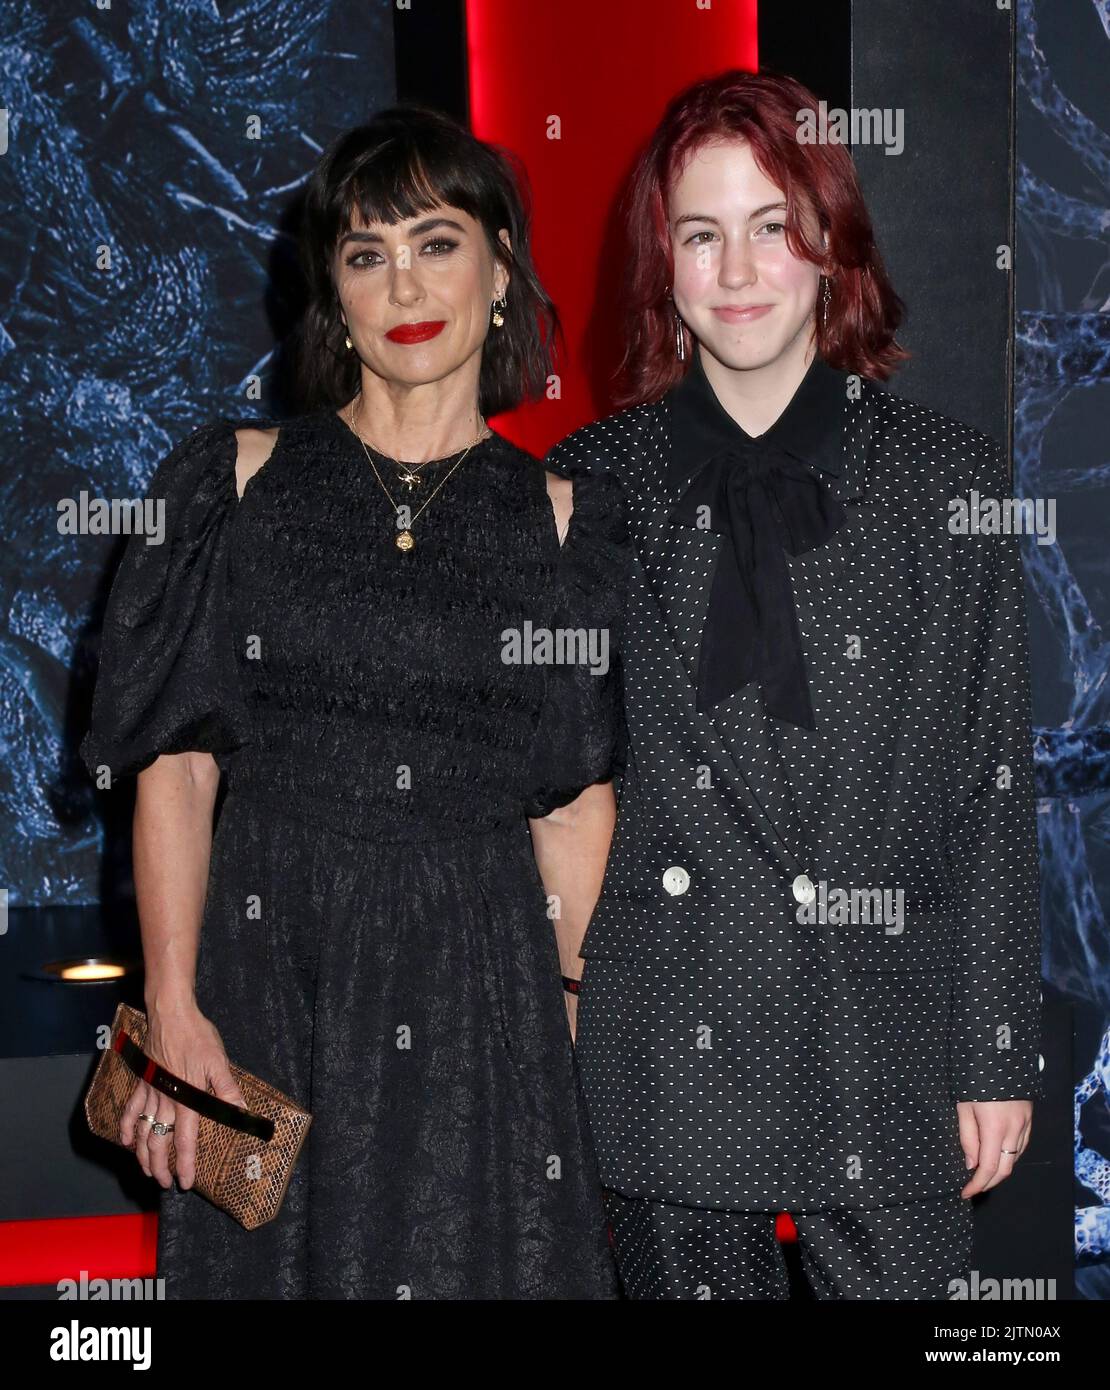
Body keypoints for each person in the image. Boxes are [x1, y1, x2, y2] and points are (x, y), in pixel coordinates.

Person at [80, 104, 627, 1300]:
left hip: (482, 982)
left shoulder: (565, 521)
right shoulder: (235, 483)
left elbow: (571, 808)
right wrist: (169, 1007)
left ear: (498, 272)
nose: (403, 282)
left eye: (437, 242)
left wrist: (583, 1055)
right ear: (335, 295)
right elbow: (178, 767)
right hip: (272, 965)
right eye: (366, 254)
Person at [545, 70, 1043, 1300]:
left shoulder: (948, 479)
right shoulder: (589, 484)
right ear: (666, 266)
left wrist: (994, 1049)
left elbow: (991, 784)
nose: (740, 269)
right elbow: (556, 778)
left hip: (884, 1025)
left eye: (774, 226)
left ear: (832, 243)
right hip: (666, 1029)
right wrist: (560, 997)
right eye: (703, 236)